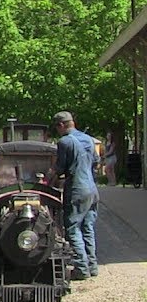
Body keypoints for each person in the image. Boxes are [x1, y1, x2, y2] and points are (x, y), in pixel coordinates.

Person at [52, 111, 98, 279]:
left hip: (77, 189)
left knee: (72, 228)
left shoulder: (64, 142)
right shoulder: (89, 139)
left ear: (61, 125)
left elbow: (60, 168)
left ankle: (81, 268)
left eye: (57, 127)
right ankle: (92, 266)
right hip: (92, 189)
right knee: (88, 227)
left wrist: (49, 178)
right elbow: (96, 162)